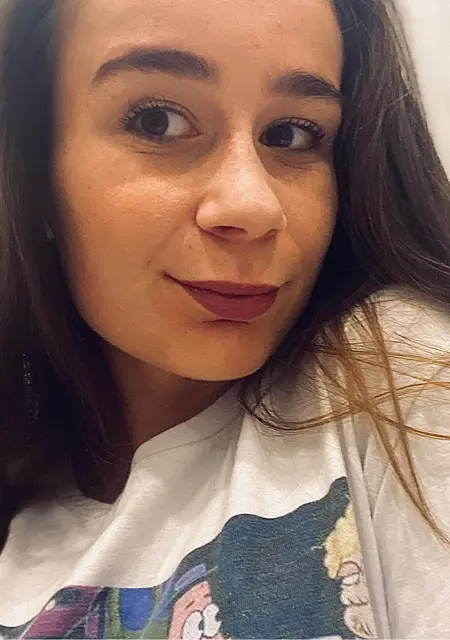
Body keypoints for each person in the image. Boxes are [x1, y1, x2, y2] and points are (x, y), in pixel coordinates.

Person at [0, 0, 450, 637]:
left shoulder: (401, 376)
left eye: (292, 134)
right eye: (157, 121)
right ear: (36, 173)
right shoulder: (22, 490)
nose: (252, 205)